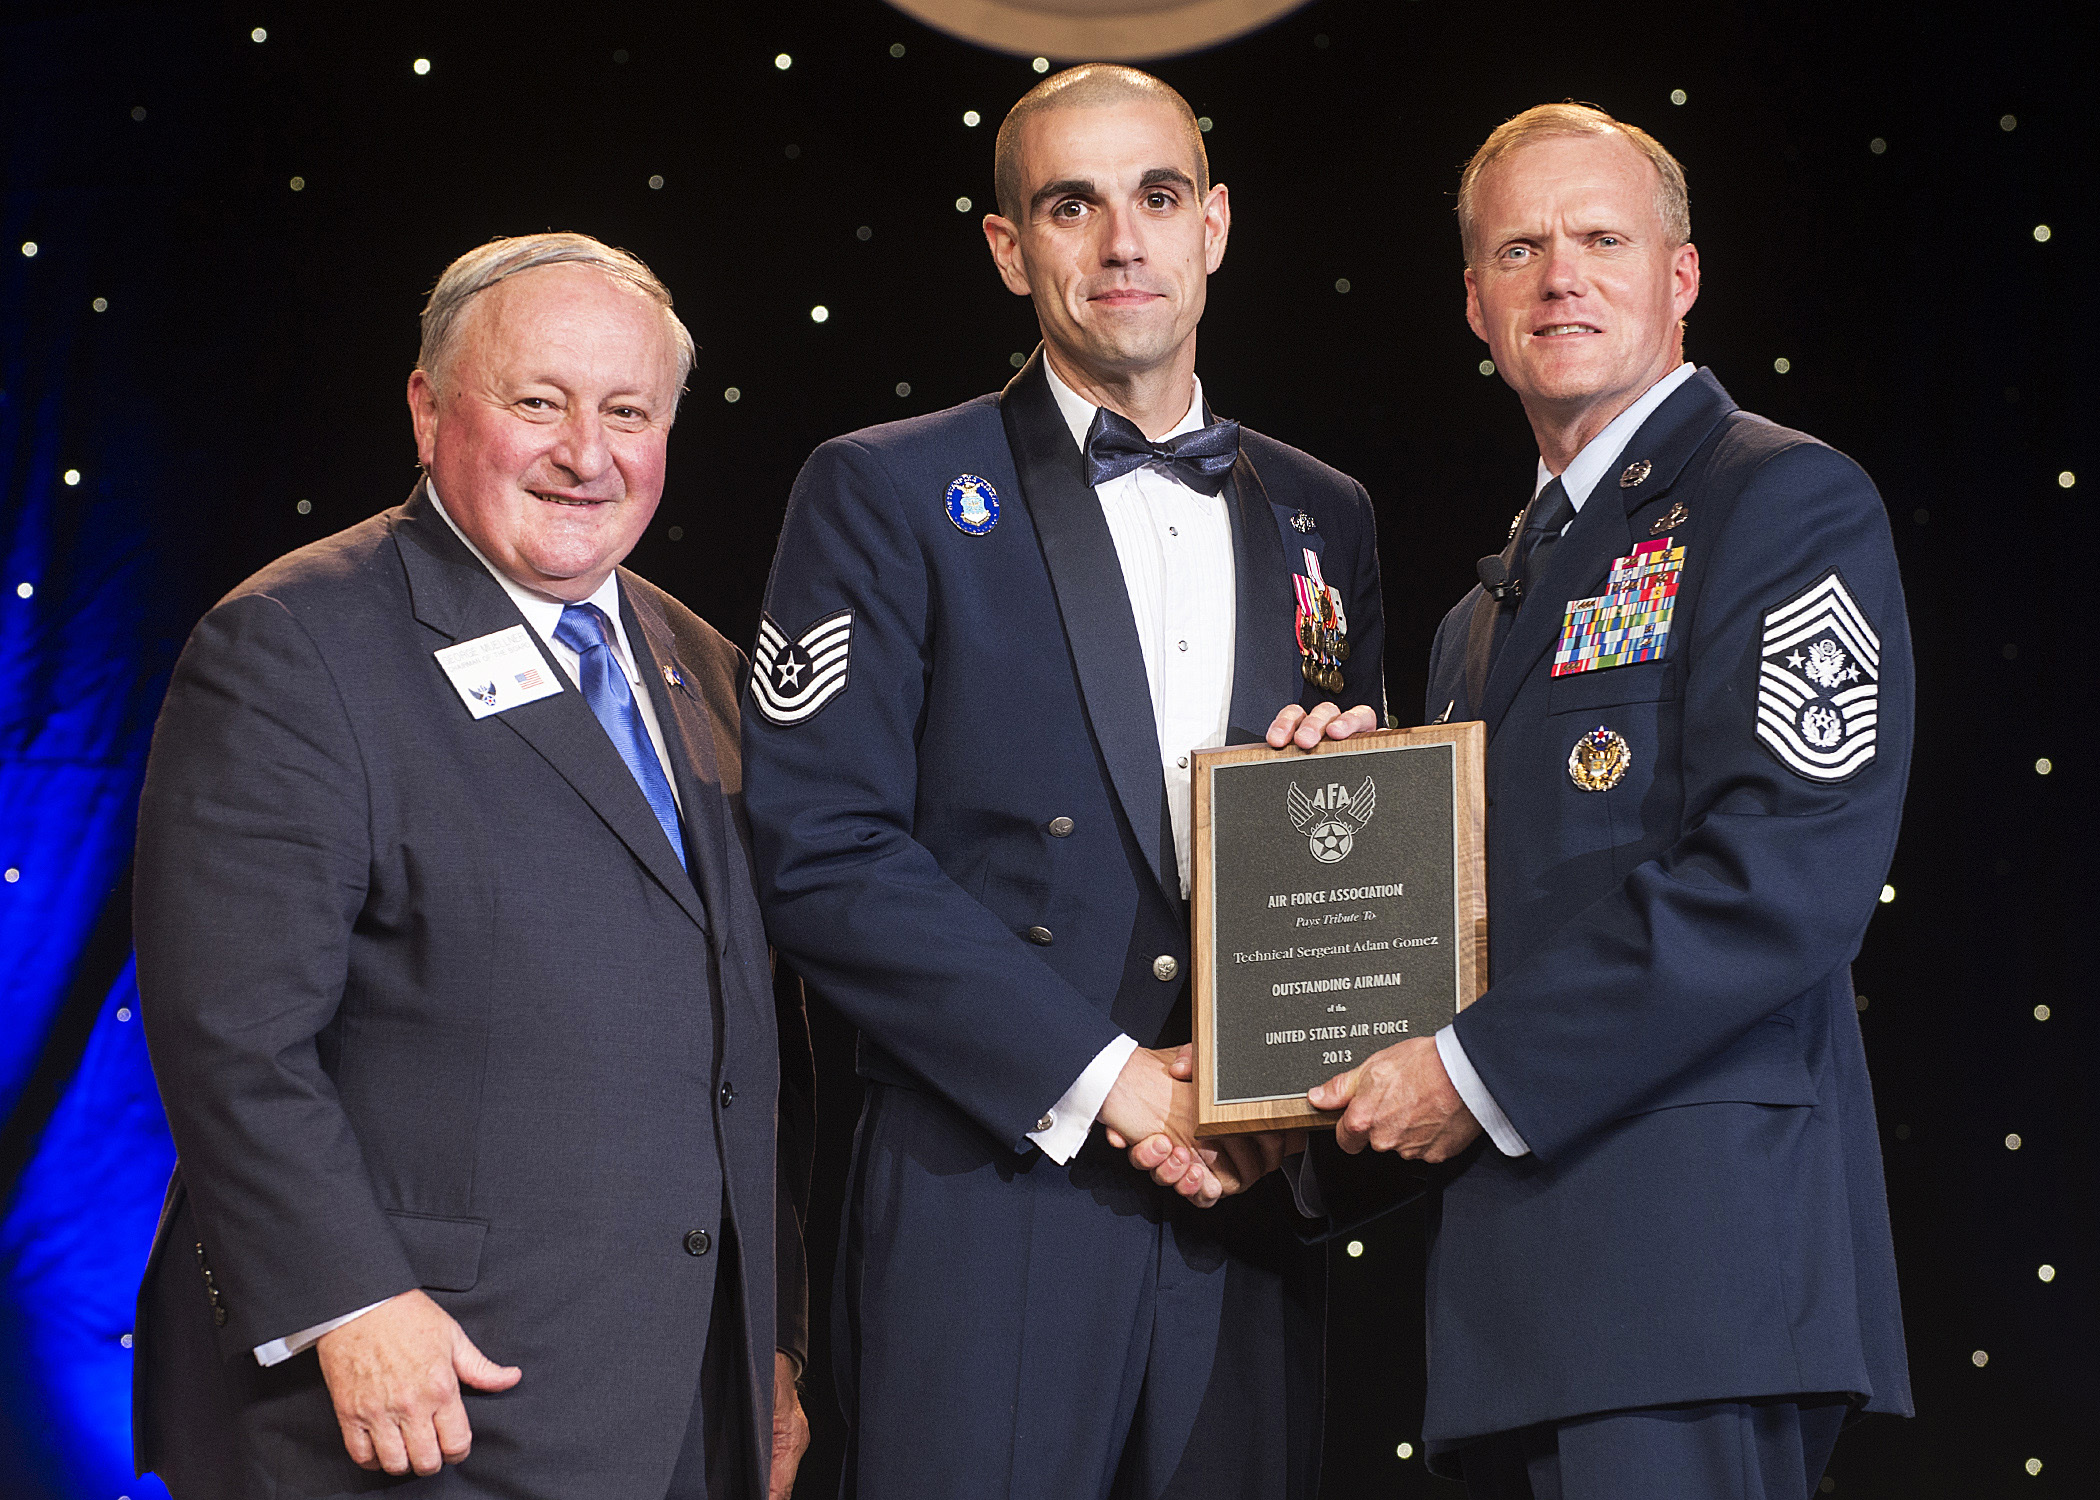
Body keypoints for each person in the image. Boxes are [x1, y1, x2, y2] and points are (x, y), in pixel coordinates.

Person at [740, 65, 1387, 1500]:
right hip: (993, 1184)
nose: (1122, 242)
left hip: (1243, 1201)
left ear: (1216, 224)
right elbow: (820, 847)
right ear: (1006, 246)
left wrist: (1282, 1103)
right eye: (1071, 206)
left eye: (1158, 196)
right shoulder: (884, 489)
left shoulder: (1321, 511)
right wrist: (1113, 1086)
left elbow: (1360, 852)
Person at [131, 233, 813, 1499]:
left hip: (680, 1405)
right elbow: (230, 1032)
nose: (586, 454)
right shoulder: (294, 644)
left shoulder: (705, 665)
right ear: (429, 408)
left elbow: (745, 1046)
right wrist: (348, 1301)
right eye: (538, 403)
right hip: (422, 1400)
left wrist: (766, 1336)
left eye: (627, 412)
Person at [1304, 104, 1914, 1497]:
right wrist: (1346, 808)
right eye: (1519, 249)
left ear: (1680, 276)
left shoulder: (1782, 500)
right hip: (1509, 1310)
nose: (1560, 277)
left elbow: (1782, 878)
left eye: (1601, 239)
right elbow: (1469, 930)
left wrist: (1466, 1075)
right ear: (1475, 302)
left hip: (1692, 1285)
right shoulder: (1477, 618)